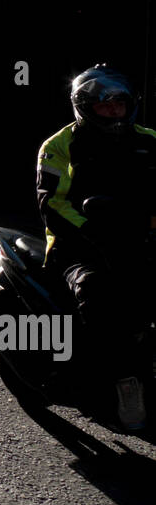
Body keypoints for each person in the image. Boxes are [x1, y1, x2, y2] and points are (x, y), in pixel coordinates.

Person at [37, 63, 156, 430]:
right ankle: (123, 380)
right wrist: (93, 230)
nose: (114, 112)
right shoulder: (59, 145)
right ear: (85, 106)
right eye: (106, 106)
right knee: (99, 292)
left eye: (119, 104)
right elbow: (51, 203)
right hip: (80, 244)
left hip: (142, 239)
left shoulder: (149, 139)